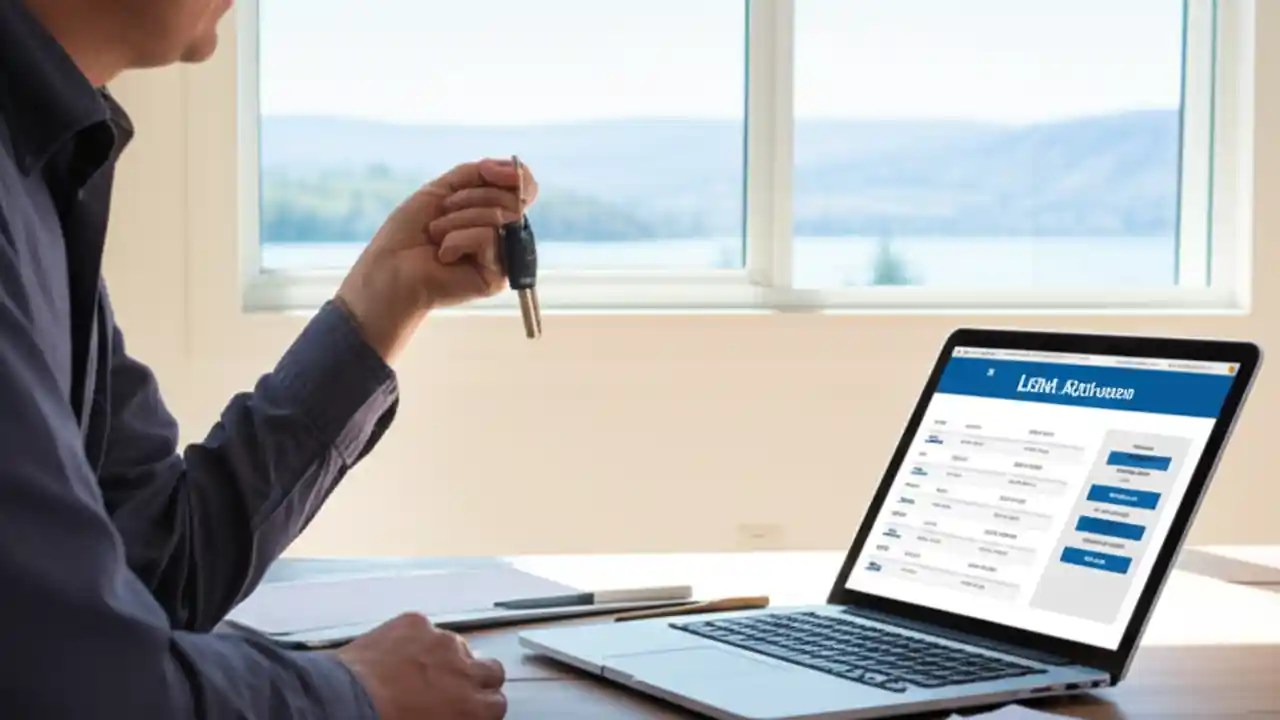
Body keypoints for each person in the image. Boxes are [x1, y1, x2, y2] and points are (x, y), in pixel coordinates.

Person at [0, 0, 537, 717]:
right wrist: (354, 692)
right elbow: (67, 671)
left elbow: (159, 565)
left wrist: (385, 299)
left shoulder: (37, 172)